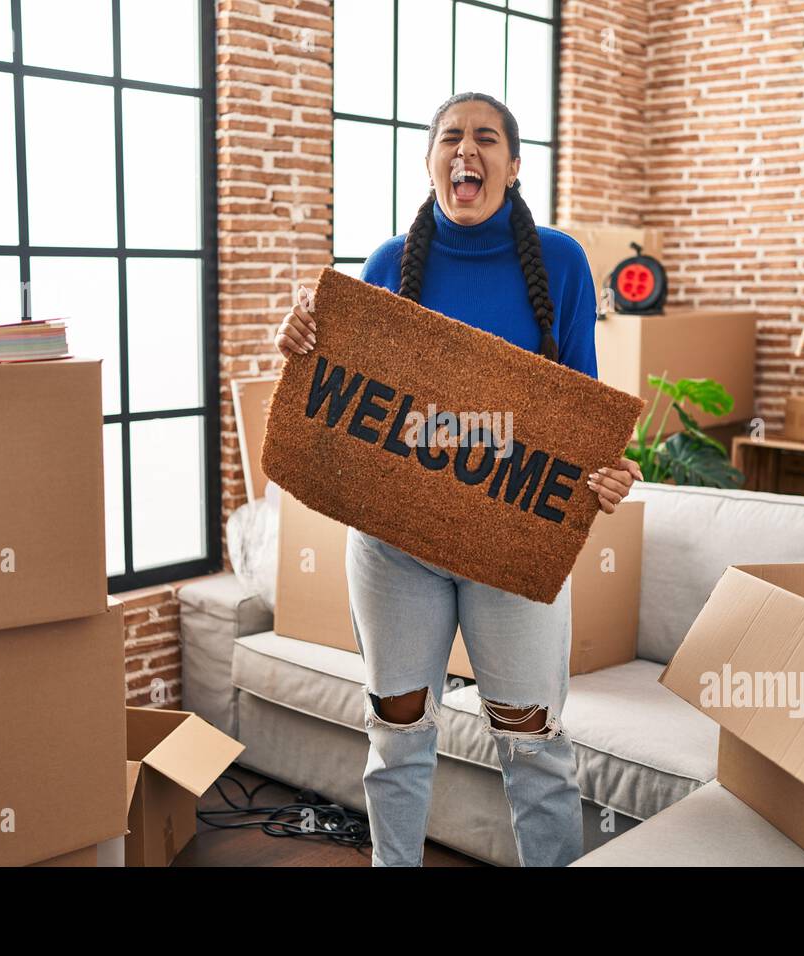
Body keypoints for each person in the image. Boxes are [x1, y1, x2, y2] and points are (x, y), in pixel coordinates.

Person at [274, 91, 643, 867]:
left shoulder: (563, 261)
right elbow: (340, 408)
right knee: (397, 734)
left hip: (514, 550)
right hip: (392, 546)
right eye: (450, 138)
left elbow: (583, 406)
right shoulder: (381, 264)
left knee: (533, 744)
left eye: (485, 139)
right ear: (431, 159)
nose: (465, 151)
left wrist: (605, 473)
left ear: (512, 163)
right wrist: (301, 343)